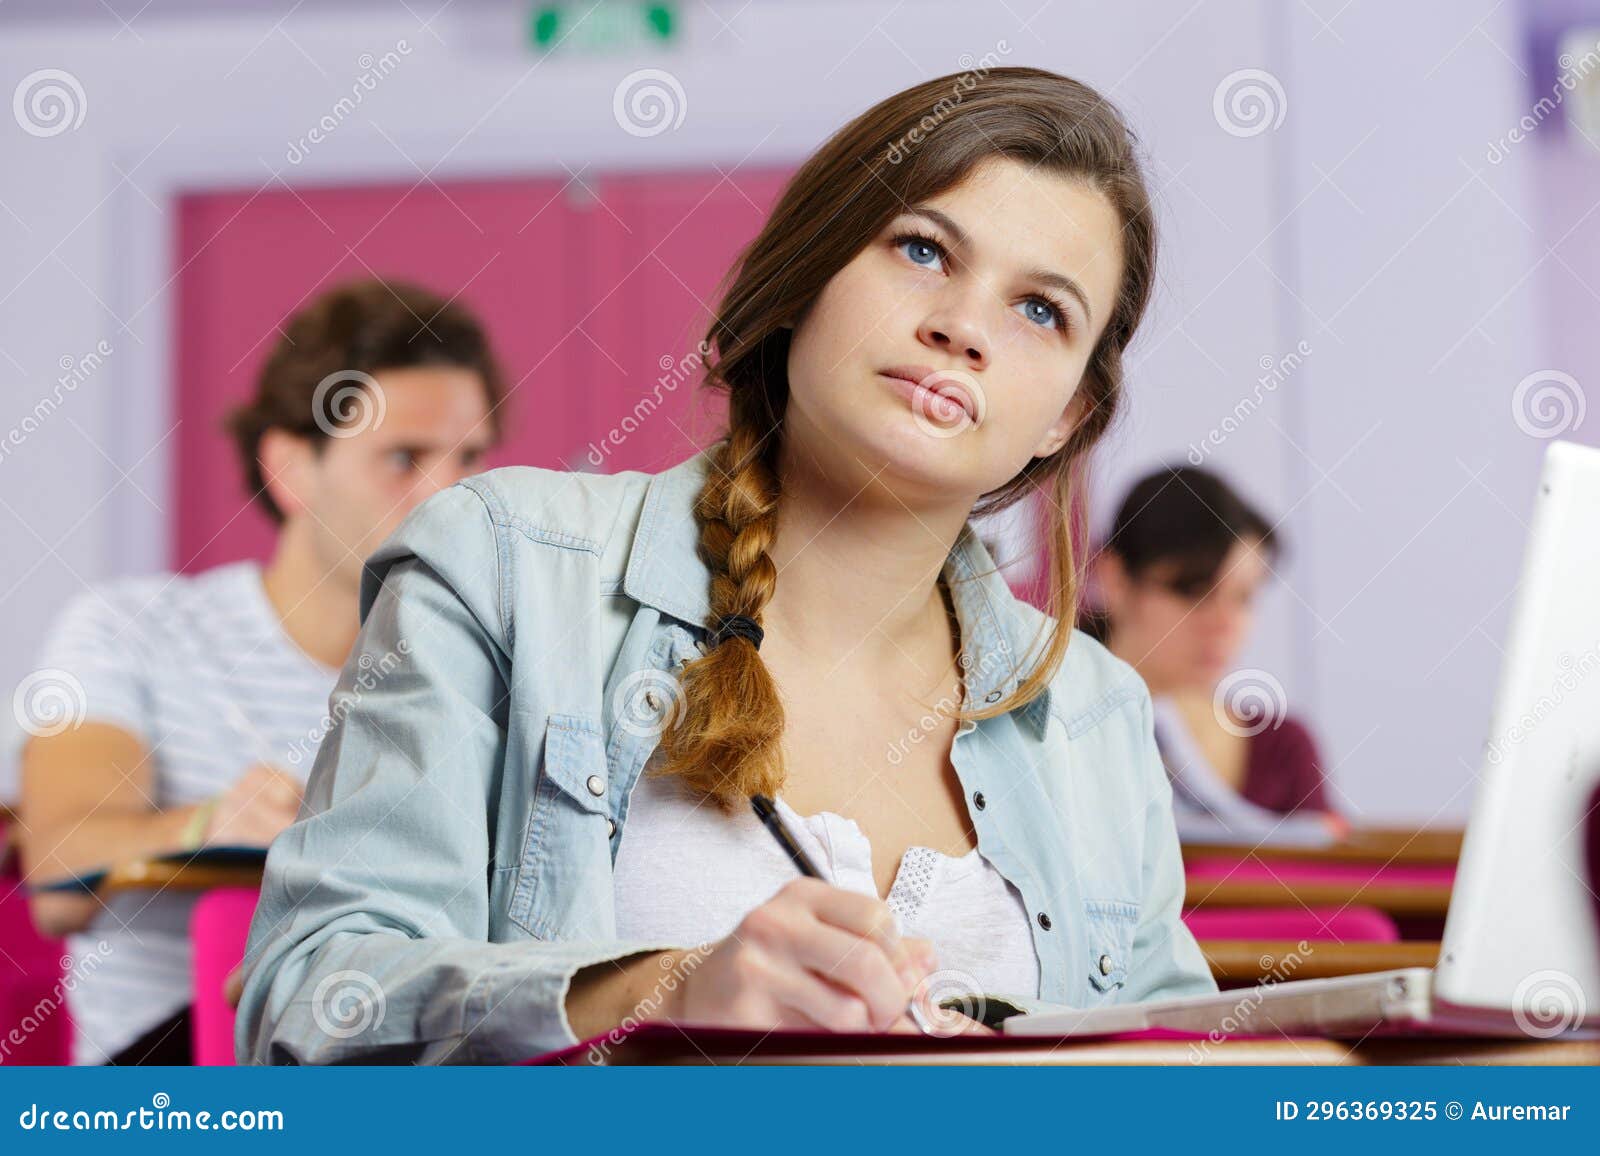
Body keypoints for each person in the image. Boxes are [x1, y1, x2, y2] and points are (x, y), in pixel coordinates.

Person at [238, 67, 1219, 1066]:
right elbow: (311, 1001)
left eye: (1040, 310)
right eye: (922, 250)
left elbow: (1175, 1068)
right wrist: (659, 992)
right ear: (806, 276)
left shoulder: (1096, 710)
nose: (962, 328)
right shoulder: (502, 560)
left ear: (1067, 414)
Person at [14, 279, 503, 1064]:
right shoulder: (131, 631)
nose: (449, 496)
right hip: (176, 1071)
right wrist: (209, 827)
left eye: (470, 459)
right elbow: (60, 868)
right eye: (404, 459)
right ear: (290, 468)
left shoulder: (493, 664)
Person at [1083, 465, 1347, 845]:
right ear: (1115, 579)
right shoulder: (1047, 730)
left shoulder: (1283, 748)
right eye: (1193, 591)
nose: (1225, 624)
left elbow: (1329, 889)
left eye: (1243, 597)